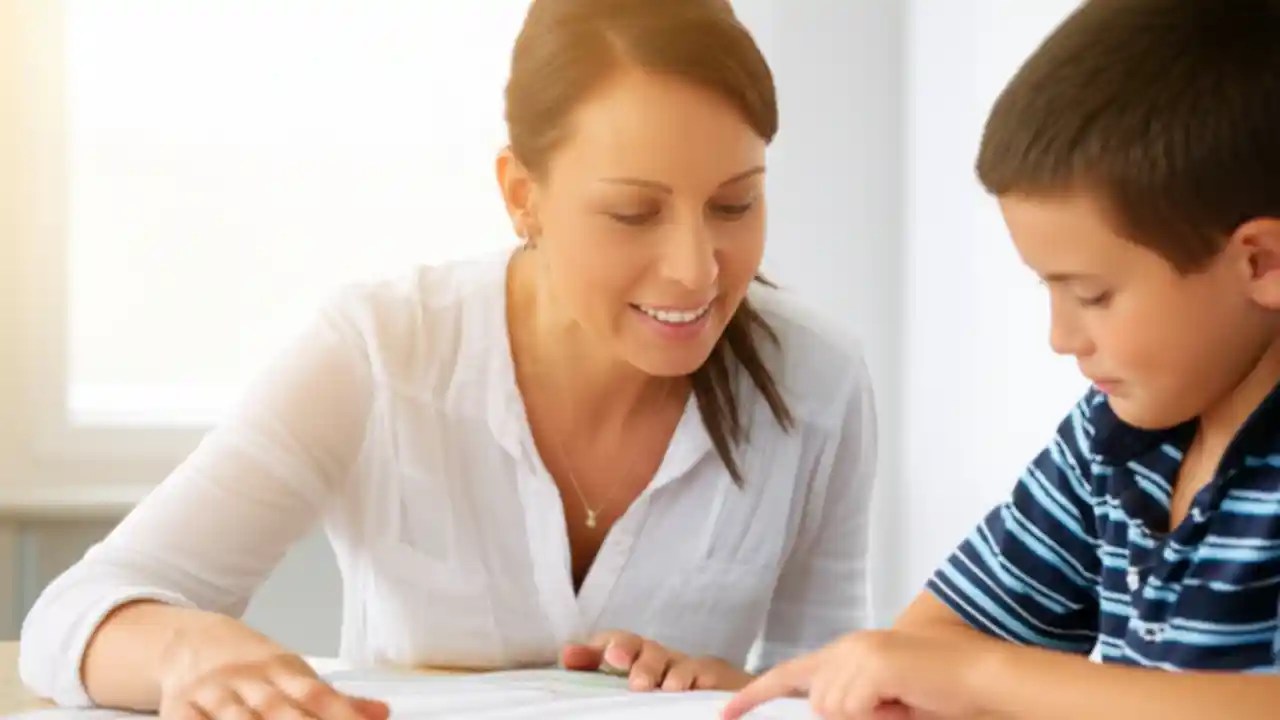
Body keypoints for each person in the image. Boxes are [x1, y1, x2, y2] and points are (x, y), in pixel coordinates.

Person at [19, 1, 879, 718]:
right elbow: (68, 618)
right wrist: (185, 649)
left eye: (735, 204)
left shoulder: (820, 385)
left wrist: (743, 694)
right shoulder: (380, 351)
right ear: (521, 195)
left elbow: (833, 683)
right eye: (631, 214)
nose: (697, 269)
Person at [722, 1, 1280, 718]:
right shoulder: (1111, 438)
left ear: (1260, 263)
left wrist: (983, 682)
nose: (1062, 336)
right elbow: (932, 645)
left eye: (1094, 294)